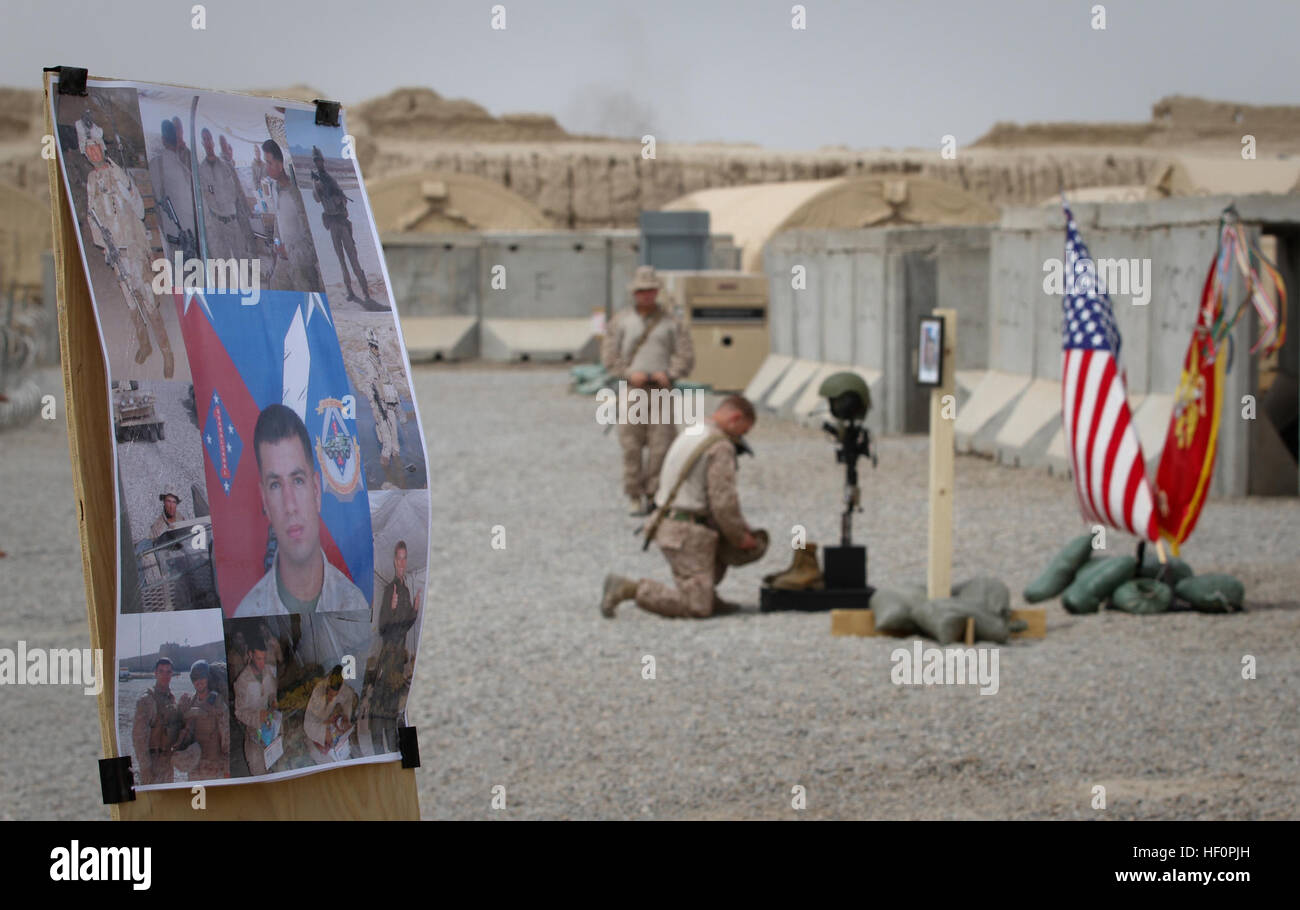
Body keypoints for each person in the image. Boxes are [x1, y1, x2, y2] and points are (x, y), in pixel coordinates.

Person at [233, 404, 370, 687]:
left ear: (316, 491)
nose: (290, 505)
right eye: (275, 485)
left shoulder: (353, 603)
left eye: (297, 480)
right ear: (264, 502)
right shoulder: (247, 616)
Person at [601, 396, 765, 619]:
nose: (740, 438)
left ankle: (705, 592)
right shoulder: (720, 445)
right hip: (687, 532)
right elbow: (722, 501)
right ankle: (629, 589)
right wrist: (740, 536)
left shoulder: (694, 431)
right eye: (742, 432)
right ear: (735, 418)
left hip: (668, 521)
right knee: (695, 608)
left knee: (714, 551)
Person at [81, 114, 175, 378]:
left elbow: (139, 210)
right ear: (85, 152)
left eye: (96, 145)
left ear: (103, 147)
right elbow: (91, 216)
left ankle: (167, 352)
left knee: (148, 300)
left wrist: (123, 184)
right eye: (88, 148)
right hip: (116, 254)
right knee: (130, 302)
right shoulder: (91, 180)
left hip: (134, 249)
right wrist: (102, 246)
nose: (93, 151)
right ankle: (145, 346)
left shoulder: (117, 173)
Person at [600, 265, 694, 516]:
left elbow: (686, 354)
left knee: (661, 445)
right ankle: (633, 493)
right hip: (633, 391)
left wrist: (671, 373)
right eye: (641, 291)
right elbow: (609, 356)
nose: (646, 296)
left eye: (650, 291)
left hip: (662, 391)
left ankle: (656, 494)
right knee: (631, 445)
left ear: (657, 292)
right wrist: (629, 374)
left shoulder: (672, 322)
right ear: (634, 293)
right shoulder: (621, 321)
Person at [366, 540, 420, 753]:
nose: (401, 562)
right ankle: (380, 751)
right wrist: (391, 608)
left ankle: (402, 753)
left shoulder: (405, 590)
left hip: (400, 657)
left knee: (399, 703)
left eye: (404, 557)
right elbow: (383, 627)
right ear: (394, 560)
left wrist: (414, 610)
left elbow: (405, 626)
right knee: (383, 704)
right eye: (398, 558)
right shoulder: (391, 590)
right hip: (389, 657)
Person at [309, 145, 374, 306]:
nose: (318, 164)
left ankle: (366, 294)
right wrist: (315, 185)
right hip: (332, 224)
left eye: (319, 161)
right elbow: (317, 199)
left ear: (323, 162)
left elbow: (342, 200)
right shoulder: (317, 181)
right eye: (316, 161)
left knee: (353, 258)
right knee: (341, 260)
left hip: (341, 222)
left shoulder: (330, 179)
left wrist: (339, 199)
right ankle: (351, 292)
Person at [261, 139, 322, 291]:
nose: (266, 167)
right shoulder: (275, 189)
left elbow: (311, 239)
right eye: (265, 162)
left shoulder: (296, 195)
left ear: (280, 165)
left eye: (269, 163)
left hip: (301, 266)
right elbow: (278, 223)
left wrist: (290, 252)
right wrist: (276, 246)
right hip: (283, 261)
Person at [356, 327, 408, 487]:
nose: (377, 349)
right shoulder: (369, 364)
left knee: (395, 441)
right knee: (386, 441)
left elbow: (390, 384)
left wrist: (399, 411)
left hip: (390, 404)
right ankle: (386, 475)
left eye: (377, 346)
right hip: (380, 408)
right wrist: (378, 406)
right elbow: (370, 387)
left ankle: (400, 475)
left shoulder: (381, 363)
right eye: (375, 346)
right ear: (370, 347)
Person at [148, 118, 197, 263]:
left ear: (163, 140)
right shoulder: (183, 168)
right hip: (186, 241)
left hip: (175, 241)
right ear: (177, 139)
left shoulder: (155, 165)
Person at [131, 657, 182, 785]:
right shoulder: (147, 699)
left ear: (172, 674)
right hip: (152, 763)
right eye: (161, 671)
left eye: (168, 672)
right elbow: (138, 737)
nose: (165, 675)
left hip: (167, 763)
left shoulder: (171, 699)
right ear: (155, 673)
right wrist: (145, 768)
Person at [175, 660, 230, 780]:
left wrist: (226, 769)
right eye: (195, 678)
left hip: (214, 768)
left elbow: (226, 738)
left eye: (202, 677)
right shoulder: (189, 702)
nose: (199, 682)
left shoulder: (218, 703)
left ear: (207, 678)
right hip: (194, 768)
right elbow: (182, 732)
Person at [197, 128, 246, 260]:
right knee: (224, 265)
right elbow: (205, 198)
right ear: (202, 143)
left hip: (232, 220)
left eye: (209, 139)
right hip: (217, 224)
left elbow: (234, 193)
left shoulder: (225, 167)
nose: (208, 142)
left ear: (213, 142)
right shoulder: (201, 171)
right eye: (205, 139)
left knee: (242, 260)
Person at [233, 631, 277, 776]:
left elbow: (272, 692)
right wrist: (258, 716)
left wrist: (273, 701)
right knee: (258, 770)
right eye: (258, 658)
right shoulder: (242, 682)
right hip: (253, 730)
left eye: (264, 658)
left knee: (277, 763)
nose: (262, 663)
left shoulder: (268, 672)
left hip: (271, 726)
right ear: (250, 655)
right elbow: (239, 713)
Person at [304, 666, 358, 764]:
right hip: (315, 725)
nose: (331, 697)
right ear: (328, 685)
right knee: (322, 756)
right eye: (330, 694)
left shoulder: (344, 689)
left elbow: (347, 700)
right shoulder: (319, 690)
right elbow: (315, 719)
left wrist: (345, 717)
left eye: (334, 695)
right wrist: (326, 727)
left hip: (332, 725)